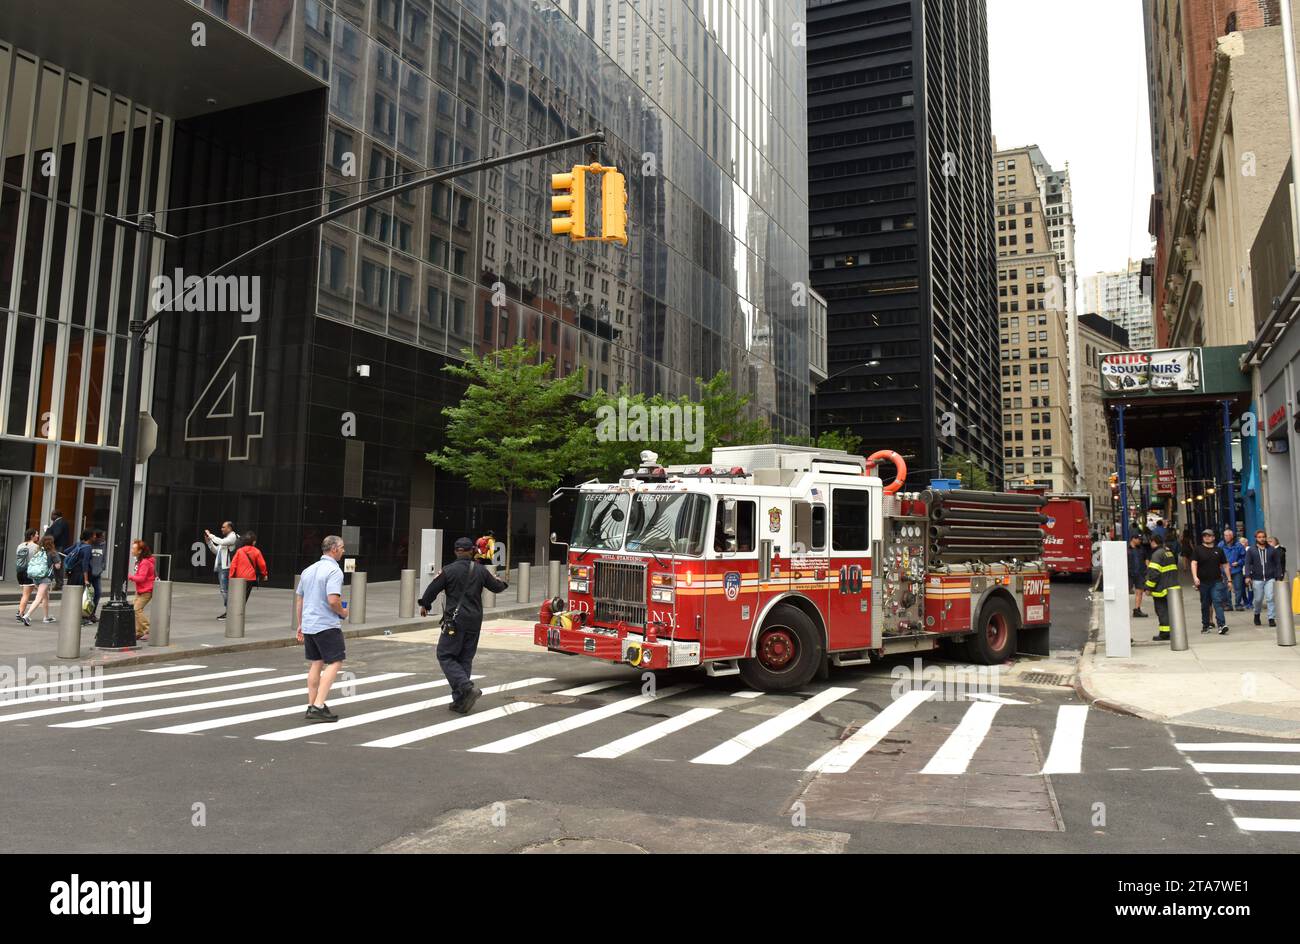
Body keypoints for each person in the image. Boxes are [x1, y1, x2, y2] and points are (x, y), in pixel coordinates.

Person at [419, 536, 509, 715]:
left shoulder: (448, 570)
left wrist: (425, 605)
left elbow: (432, 589)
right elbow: (497, 587)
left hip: (456, 620)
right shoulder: (481, 570)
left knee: (445, 655)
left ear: (455, 551)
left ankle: (466, 687)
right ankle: (460, 701)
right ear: (472, 551)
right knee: (465, 659)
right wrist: (503, 581)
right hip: (474, 621)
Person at [295, 535, 349, 723]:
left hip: (309, 623)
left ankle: (312, 704)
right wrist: (343, 612)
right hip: (326, 623)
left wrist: (300, 624)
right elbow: (333, 599)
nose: (343, 550)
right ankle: (318, 705)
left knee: (316, 663)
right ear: (333, 549)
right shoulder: (334, 570)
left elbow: (300, 599)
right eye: (342, 547)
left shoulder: (308, 570)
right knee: (335, 662)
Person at [1192, 528, 1230, 634]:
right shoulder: (1198, 549)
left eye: (1209, 535)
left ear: (1213, 537)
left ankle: (1222, 625)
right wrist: (1195, 577)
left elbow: (1225, 565)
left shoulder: (1219, 550)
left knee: (1217, 602)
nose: (1207, 537)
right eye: (1205, 536)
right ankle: (1206, 625)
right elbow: (1194, 563)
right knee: (1205, 604)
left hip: (1216, 581)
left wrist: (1229, 580)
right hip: (1203, 582)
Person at [1143, 533, 1180, 642]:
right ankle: (1173, 632)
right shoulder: (1168, 552)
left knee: (1162, 611)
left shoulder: (1156, 555)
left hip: (1161, 589)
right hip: (1172, 587)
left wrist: (1148, 587)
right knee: (1171, 611)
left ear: (1153, 541)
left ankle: (1164, 633)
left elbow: (1154, 574)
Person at [1244, 530, 1282, 628]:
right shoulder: (1251, 550)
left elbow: (1278, 564)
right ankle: (1257, 614)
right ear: (1256, 538)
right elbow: (1247, 564)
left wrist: (1278, 576)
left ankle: (1271, 618)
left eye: (1263, 537)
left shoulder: (1272, 550)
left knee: (1270, 598)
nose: (1262, 538)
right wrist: (1247, 576)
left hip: (1270, 578)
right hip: (1257, 578)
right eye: (1259, 537)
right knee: (1258, 599)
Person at [19, 536, 60, 625]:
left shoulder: (38, 551)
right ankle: (27, 616)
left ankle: (46, 617)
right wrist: (58, 562)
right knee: (39, 598)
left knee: (45, 597)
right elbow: (57, 566)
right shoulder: (53, 553)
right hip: (45, 578)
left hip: (36, 577)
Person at [205, 521, 240, 620]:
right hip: (222, 568)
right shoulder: (225, 539)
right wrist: (209, 542)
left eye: (223, 527)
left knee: (225, 590)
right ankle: (230, 611)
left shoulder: (233, 536)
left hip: (227, 568)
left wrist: (210, 535)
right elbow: (216, 551)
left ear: (230, 528)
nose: (222, 529)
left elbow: (222, 542)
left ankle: (230, 611)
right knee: (225, 590)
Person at [63, 530, 94, 625]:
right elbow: (85, 564)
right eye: (93, 536)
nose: (94, 538)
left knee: (72, 595)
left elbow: (66, 552)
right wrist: (86, 579)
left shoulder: (78, 544)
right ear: (89, 537)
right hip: (80, 574)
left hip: (72, 573)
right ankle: (80, 618)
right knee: (81, 597)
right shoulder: (88, 548)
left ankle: (70, 616)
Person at [128, 540, 156, 641]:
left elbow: (142, 578)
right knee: (135, 610)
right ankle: (139, 632)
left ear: (140, 551)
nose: (131, 550)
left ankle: (148, 630)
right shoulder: (141, 561)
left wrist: (130, 577)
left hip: (146, 591)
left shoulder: (144, 562)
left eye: (133, 548)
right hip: (141, 590)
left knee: (136, 609)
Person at [229, 531, 268, 602]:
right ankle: (240, 611)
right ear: (253, 542)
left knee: (238, 595)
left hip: (239, 578)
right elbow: (262, 564)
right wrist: (264, 574)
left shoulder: (239, 551)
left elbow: (233, 564)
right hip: (250, 578)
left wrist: (231, 577)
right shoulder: (256, 551)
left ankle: (235, 610)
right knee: (244, 597)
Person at [13, 528, 39, 621]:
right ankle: (20, 614)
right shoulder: (36, 547)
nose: (38, 536)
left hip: (20, 572)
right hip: (29, 572)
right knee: (26, 595)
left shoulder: (20, 546)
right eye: (36, 534)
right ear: (32, 536)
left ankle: (20, 611)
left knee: (25, 593)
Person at [1218, 528, 1246, 610]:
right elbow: (1217, 557)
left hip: (1236, 570)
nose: (1227, 537)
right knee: (1226, 589)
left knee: (1238, 588)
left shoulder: (1239, 545)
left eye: (1229, 535)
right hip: (1224, 571)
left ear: (1232, 536)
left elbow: (1244, 557)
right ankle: (1228, 605)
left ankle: (1238, 605)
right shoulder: (1220, 545)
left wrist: (1238, 563)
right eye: (1225, 535)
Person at [86, 530, 106, 622]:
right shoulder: (88, 545)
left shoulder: (103, 545)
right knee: (87, 594)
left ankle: (92, 613)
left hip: (97, 573)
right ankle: (85, 613)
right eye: (101, 536)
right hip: (88, 572)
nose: (103, 538)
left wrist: (102, 568)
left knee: (98, 593)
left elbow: (103, 558)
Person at [1127, 534, 1149, 617]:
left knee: (1139, 592)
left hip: (1140, 573)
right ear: (1133, 539)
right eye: (1139, 539)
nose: (1140, 541)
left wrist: (1148, 569)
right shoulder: (1126, 549)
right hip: (1129, 574)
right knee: (1125, 592)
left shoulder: (1141, 549)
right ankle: (1121, 609)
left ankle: (1137, 610)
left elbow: (1146, 558)